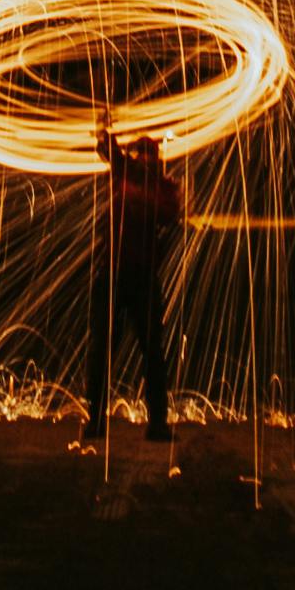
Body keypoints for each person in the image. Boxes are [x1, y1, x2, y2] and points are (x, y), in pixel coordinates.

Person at [85, 116, 188, 443]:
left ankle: (156, 423)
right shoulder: (128, 174)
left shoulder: (158, 186)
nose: (143, 161)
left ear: (154, 161)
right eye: (140, 156)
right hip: (114, 275)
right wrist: (103, 127)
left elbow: (169, 214)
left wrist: (116, 152)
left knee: (151, 353)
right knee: (103, 350)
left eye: (147, 156)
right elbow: (106, 148)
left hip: (140, 277)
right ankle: (96, 421)